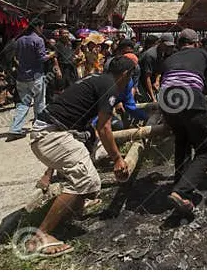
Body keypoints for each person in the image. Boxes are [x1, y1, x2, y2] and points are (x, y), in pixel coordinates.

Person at [24, 56, 135, 258]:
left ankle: (78, 203)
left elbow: (94, 127)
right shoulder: (110, 86)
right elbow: (104, 126)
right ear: (126, 75)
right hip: (50, 135)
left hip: (51, 132)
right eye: (131, 77)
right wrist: (118, 158)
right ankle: (41, 237)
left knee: (88, 146)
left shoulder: (97, 79)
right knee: (87, 179)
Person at [158, 29, 207, 215]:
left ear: (179, 44)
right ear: (196, 43)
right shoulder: (204, 55)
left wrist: (166, 119)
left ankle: (179, 187)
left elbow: (163, 85)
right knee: (206, 149)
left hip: (166, 101)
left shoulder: (169, 59)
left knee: (182, 141)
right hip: (190, 98)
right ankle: (181, 191)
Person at [9, 18, 54, 138]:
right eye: (42, 27)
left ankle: (15, 129)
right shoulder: (38, 40)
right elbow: (41, 58)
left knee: (23, 104)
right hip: (36, 76)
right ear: (38, 27)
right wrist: (51, 55)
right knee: (39, 102)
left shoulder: (19, 40)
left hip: (21, 77)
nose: (42, 30)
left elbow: (17, 57)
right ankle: (38, 127)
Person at [138, 33, 174, 103]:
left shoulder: (162, 53)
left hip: (150, 81)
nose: (169, 48)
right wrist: (153, 97)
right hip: (140, 82)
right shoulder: (150, 55)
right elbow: (146, 77)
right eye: (167, 46)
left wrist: (157, 81)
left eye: (171, 46)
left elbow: (159, 70)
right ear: (160, 43)